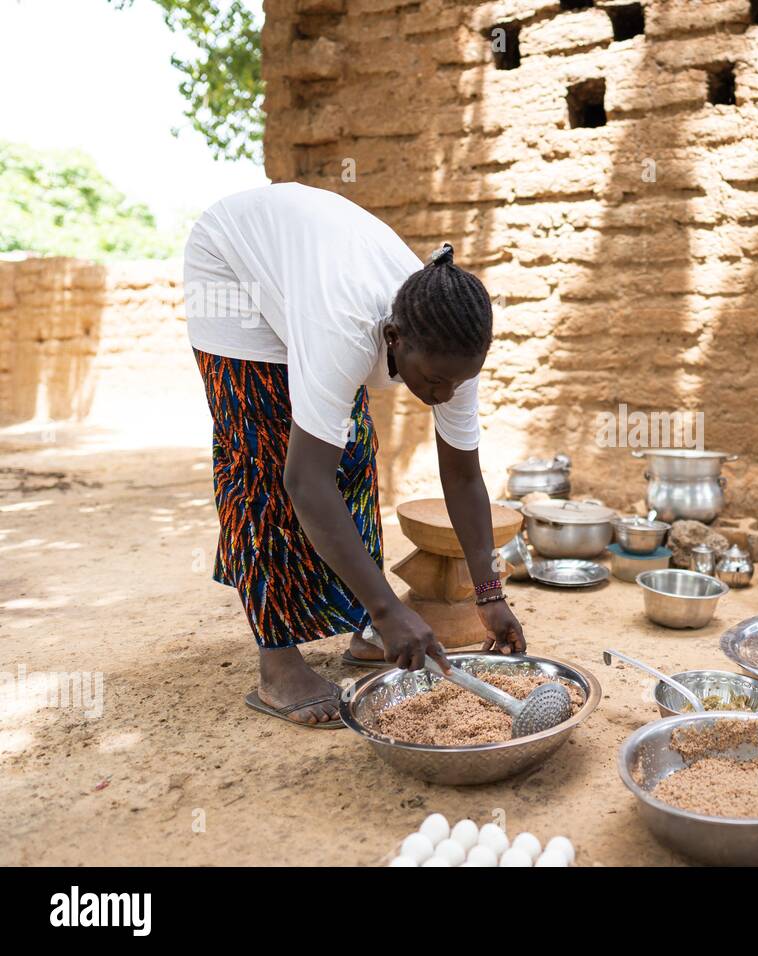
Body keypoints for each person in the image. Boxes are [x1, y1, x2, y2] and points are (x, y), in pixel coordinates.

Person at [184, 182, 525, 728]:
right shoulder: (342, 327)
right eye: (433, 381)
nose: (443, 395)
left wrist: (489, 594)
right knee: (266, 461)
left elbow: (462, 476)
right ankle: (279, 665)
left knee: (353, 454)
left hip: (308, 265)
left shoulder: (451, 354)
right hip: (233, 268)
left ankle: (368, 621)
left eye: (456, 384)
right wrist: (392, 606)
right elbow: (304, 482)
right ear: (392, 338)